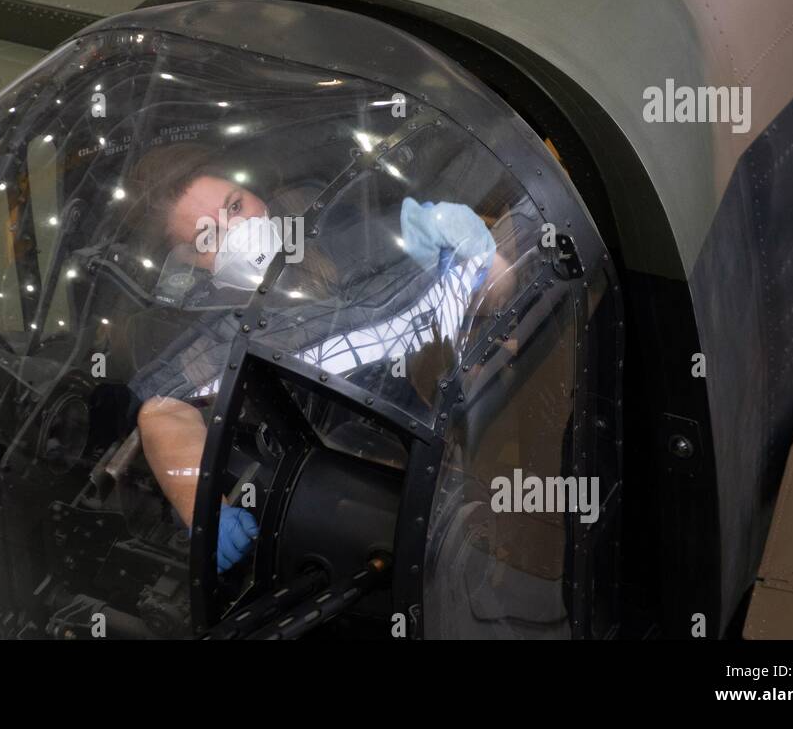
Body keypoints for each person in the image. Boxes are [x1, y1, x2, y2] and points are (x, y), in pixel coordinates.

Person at [120, 142, 505, 572]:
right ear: (190, 262)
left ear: (255, 193)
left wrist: (477, 252)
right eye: (208, 236)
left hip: (487, 429)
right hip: (400, 503)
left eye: (234, 205)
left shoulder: (358, 237)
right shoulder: (217, 337)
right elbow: (162, 413)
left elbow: (494, 294)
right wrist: (205, 512)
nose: (239, 230)